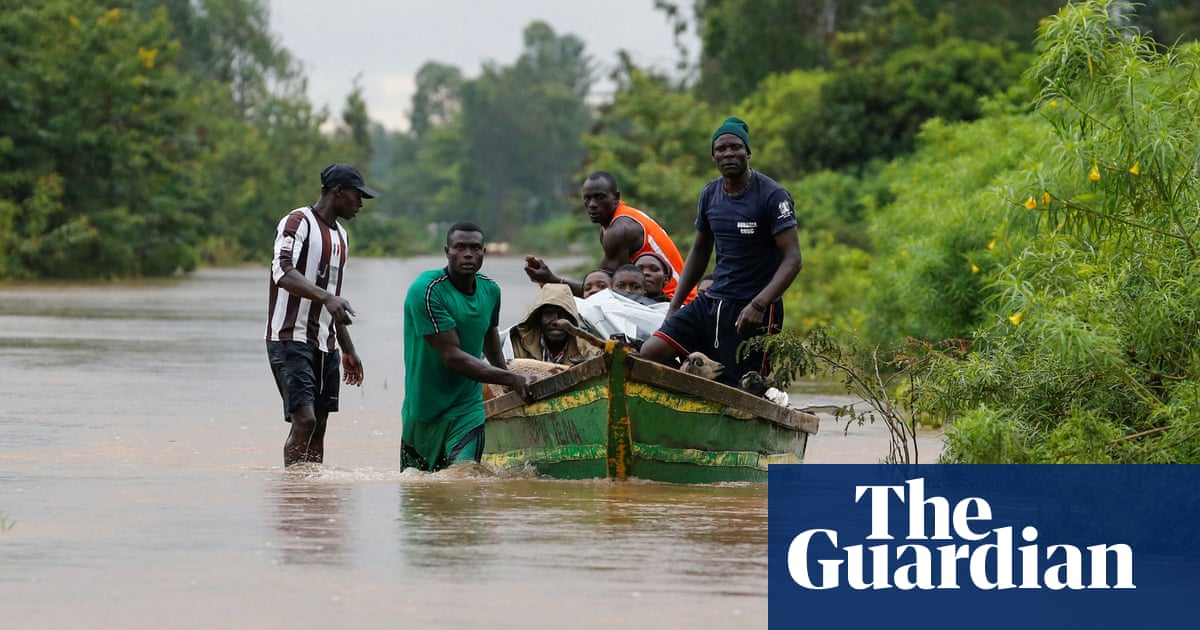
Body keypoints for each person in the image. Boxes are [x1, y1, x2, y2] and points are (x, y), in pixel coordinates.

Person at [639, 117, 802, 387]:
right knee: (652, 352)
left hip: (753, 309)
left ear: (748, 152)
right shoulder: (710, 194)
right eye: (721, 149)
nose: (728, 153)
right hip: (713, 300)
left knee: (737, 388)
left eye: (735, 147)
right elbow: (700, 251)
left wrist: (759, 304)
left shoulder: (773, 196)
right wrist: (675, 306)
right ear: (713, 157)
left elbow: (794, 259)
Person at [401, 221, 534, 472]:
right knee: (418, 490)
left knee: (465, 477)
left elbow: (491, 340)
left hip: (468, 407)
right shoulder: (427, 291)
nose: (468, 254)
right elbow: (452, 357)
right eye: (460, 247)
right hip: (425, 408)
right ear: (447, 251)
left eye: (475, 248)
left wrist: (506, 382)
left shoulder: (491, 290)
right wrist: (513, 378)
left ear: (484, 252)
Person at [266, 162, 375, 467]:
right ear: (337, 191)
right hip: (290, 338)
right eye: (357, 195)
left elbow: (334, 302)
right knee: (305, 420)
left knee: (321, 425)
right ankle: (293, 493)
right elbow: (282, 271)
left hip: (326, 345)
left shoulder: (342, 236)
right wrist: (327, 296)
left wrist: (349, 350)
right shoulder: (298, 221)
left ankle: (313, 497)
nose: (361, 204)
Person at [524, 171, 693, 302]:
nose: (592, 205)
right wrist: (551, 280)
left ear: (616, 198)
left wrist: (551, 280)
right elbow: (599, 288)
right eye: (587, 199)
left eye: (599, 198)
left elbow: (601, 294)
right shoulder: (613, 225)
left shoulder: (619, 230)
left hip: (675, 304)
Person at [508, 284, 603, 365]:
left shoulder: (588, 350)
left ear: (572, 319)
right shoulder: (516, 344)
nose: (556, 321)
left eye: (563, 314)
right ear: (538, 318)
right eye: (549, 313)